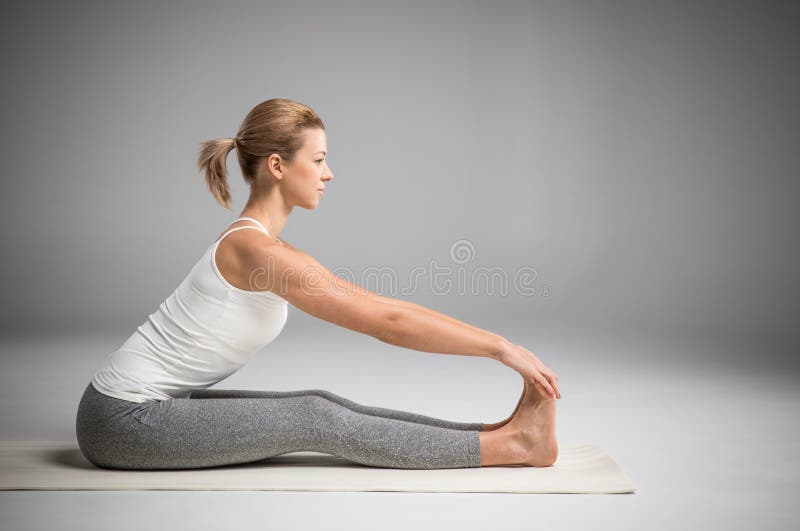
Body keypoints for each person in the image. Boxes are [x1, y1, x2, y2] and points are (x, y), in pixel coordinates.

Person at [75, 97, 561, 471]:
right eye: (320, 159)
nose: (329, 173)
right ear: (278, 165)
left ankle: (501, 433)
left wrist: (500, 345)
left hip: (147, 408)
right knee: (315, 418)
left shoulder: (262, 245)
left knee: (322, 404)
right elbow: (387, 322)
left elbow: (380, 305)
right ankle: (511, 446)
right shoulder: (258, 251)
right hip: (120, 422)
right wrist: (500, 348)